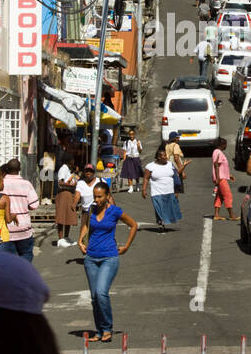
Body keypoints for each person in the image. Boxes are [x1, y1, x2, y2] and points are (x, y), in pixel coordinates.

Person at [78, 181, 140, 343]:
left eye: (99, 197)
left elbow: (133, 225)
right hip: (91, 258)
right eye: (94, 197)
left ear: (107, 196)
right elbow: (85, 226)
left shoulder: (115, 211)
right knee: (94, 297)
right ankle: (99, 331)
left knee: (101, 293)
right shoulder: (91, 209)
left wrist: (126, 246)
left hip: (109, 257)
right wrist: (80, 241)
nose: (96, 200)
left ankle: (107, 328)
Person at [1, 159, 38, 263]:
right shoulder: (26, 184)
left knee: (8, 261)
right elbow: (34, 205)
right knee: (26, 255)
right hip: (24, 229)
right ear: (20, 169)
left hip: (6, 229)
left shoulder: (1, 184)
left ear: (7, 169)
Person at [141, 147, 182, 232]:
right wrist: (144, 190)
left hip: (169, 191)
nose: (166, 157)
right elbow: (146, 178)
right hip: (157, 192)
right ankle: (160, 223)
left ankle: (161, 221)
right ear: (158, 157)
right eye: (163, 156)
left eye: (166, 155)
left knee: (168, 209)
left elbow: (176, 175)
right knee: (159, 208)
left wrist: (176, 190)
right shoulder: (150, 166)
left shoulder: (170, 164)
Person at [54, 158, 79, 249]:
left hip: (69, 194)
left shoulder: (69, 170)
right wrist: (70, 185)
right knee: (61, 216)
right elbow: (60, 182)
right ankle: (60, 239)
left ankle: (66, 237)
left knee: (69, 216)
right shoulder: (63, 169)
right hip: (63, 194)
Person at [211, 137, 235, 221]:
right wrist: (218, 178)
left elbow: (221, 167)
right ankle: (231, 215)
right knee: (228, 195)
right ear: (222, 145)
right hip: (220, 179)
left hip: (221, 177)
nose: (226, 146)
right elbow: (216, 165)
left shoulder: (218, 152)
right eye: (225, 144)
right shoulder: (217, 152)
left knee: (219, 196)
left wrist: (229, 175)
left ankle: (216, 214)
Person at [120, 128, 144, 193]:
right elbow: (124, 151)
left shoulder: (138, 141)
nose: (131, 135)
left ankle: (137, 185)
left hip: (136, 158)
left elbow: (140, 151)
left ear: (134, 134)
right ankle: (131, 187)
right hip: (129, 158)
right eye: (130, 134)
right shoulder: (126, 142)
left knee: (137, 172)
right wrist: (124, 160)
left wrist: (138, 146)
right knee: (129, 173)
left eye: (132, 134)